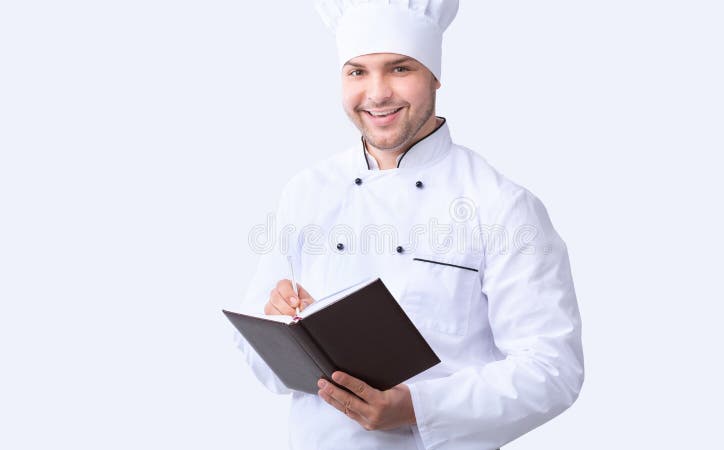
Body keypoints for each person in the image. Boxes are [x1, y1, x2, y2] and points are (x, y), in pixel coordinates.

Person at [233, 1, 584, 449]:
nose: (377, 94)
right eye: (357, 72)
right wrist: (279, 323)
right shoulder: (306, 192)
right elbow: (258, 359)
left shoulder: (501, 206)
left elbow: (553, 369)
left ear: (435, 75)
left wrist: (417, 407)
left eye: (400, 69)